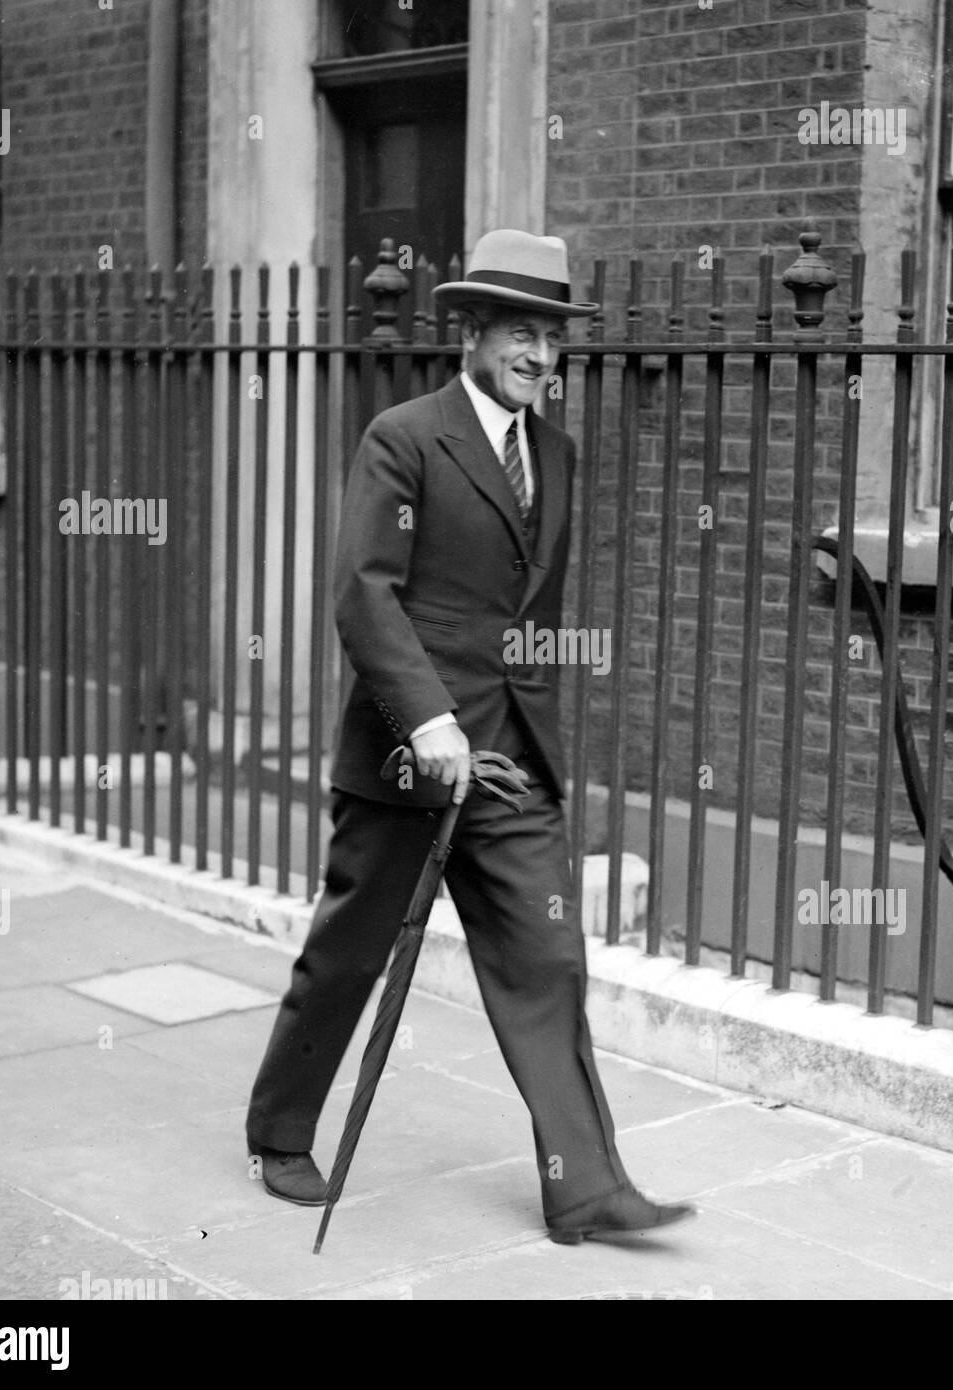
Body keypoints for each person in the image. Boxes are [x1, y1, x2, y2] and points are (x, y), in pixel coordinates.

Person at [245, 229, 694, 1244]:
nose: (541, 354)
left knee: (547, 955)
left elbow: (523, 610)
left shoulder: (559, 455)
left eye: (554, 337)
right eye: (523, 333)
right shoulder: (405, 438)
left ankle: (585, 1185)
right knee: (349, 953)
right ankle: (279, 1128)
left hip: (508, 757)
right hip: (410, 750)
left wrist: (525, 725)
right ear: (476, 331)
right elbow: (365, 595)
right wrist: (430, 717)